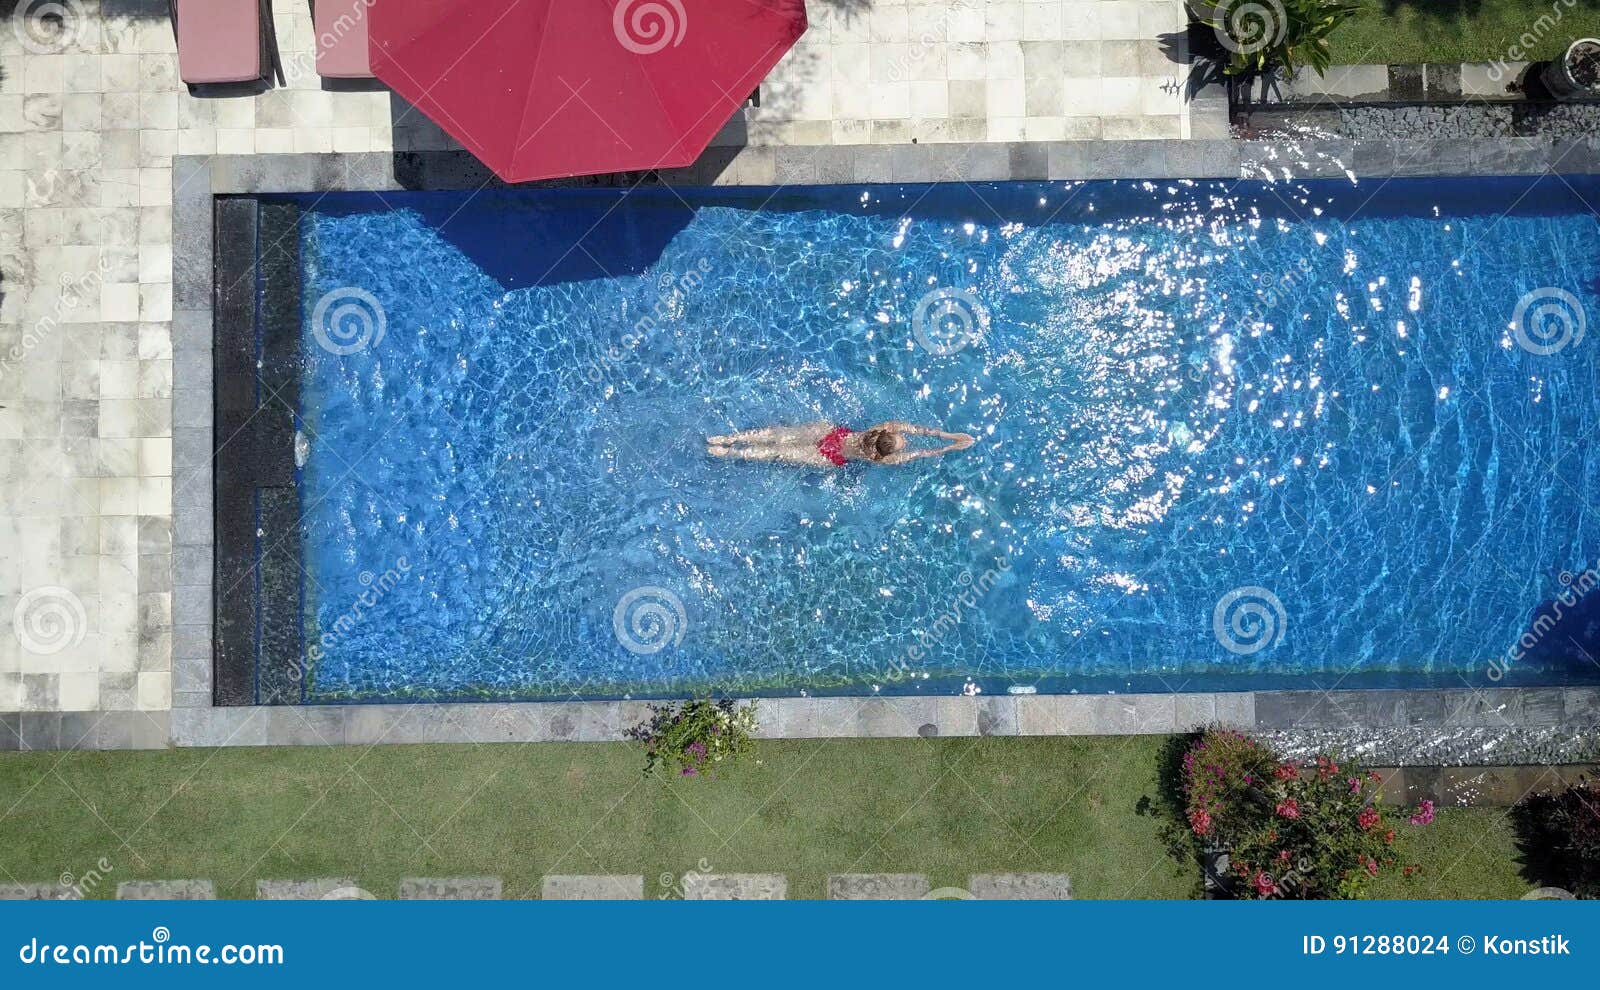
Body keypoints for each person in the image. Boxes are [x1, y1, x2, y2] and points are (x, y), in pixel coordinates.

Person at [707, 421, 975, 467]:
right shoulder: (882, 459)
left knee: (777, 434)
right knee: (775, 454)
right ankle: (726, 452)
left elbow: (918, 430)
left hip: (831, 433)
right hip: (828, 456)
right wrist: (949, 448)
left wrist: (949, 435)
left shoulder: (881, 427)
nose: (906, 441)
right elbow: (921, 453)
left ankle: (727, 438)